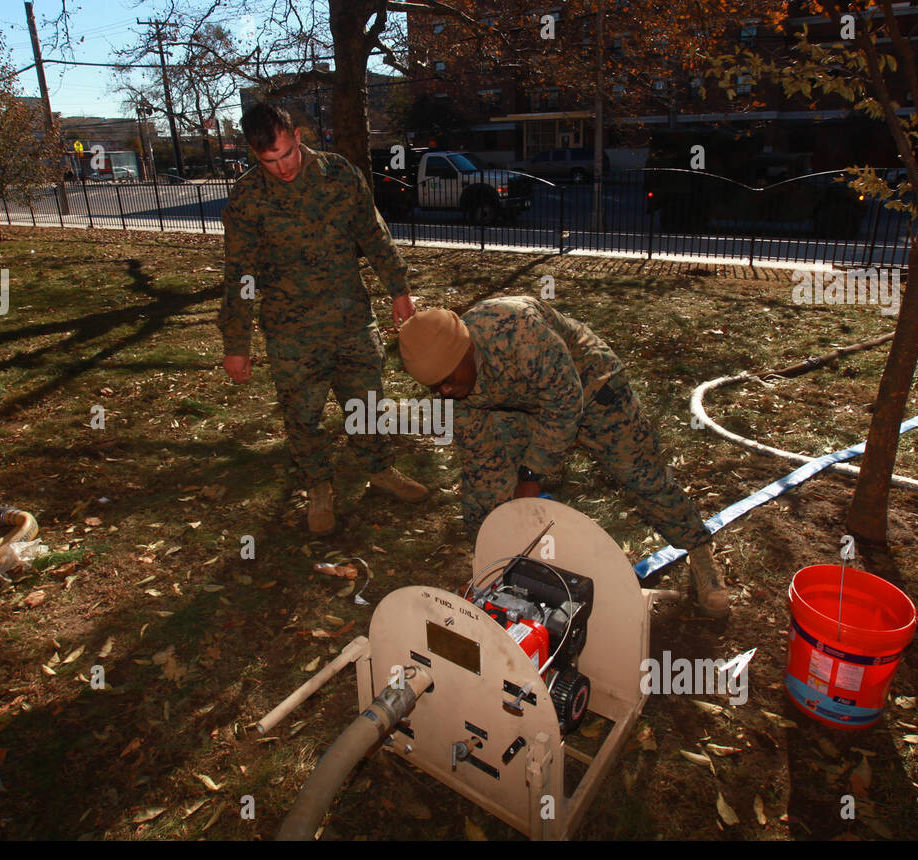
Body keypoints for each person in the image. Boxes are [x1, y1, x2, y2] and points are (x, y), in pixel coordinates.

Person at [397, 296, 730, 615]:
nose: (443, 391)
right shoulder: (449, 387)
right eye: (434, 386)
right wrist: (489, 520)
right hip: (514, 403)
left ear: (466, 350)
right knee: (487, 485)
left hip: (587, 382)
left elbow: (564, 403)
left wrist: (531, 474)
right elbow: (480, 459)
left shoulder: (518, 332)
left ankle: (698, 548)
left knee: (640, 473)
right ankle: (497, 569)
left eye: (448, 380)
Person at [219, 103, 427, 535]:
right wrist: (236, 343)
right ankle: (318, 488)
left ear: (297, 135)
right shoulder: (247, 197)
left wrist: (399, 289)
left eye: (285, 154)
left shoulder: (339, 175)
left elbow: (373, 233)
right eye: (268, 161)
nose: (282, 168)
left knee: (367, 403)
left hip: (350, 318)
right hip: (291, 332)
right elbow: (241, 275)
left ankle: (380, 468)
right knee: (303, 417)